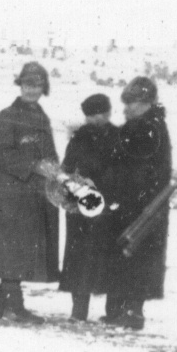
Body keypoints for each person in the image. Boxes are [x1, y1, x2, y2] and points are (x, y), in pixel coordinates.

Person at [0, 61, 62, 321]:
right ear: (20, 85)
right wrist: (33, 165)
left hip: (32, 193)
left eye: (38, 85)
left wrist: (55, 168)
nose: (32, 90)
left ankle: (1, 303)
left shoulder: (41, 117)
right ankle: (13, 306)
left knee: (19, 248)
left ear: (44, 87)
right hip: (8, 193)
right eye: (28, 84)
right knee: (12, 248)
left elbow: (49, 153)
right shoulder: (5, 116)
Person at [98, 76, 174, 331]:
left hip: (138, 205)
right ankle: (122, 309)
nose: (128, 108)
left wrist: (116, 194)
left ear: (148, 103)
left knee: (136, 256)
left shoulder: (144, 129)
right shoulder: (150, 126)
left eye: (134, 103)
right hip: (141, 204)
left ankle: (131, 312)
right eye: (127, 102)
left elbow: (130, 170)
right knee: (132, 256)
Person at [58, 94, 119, 323]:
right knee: (78, 259)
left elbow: (122, 173)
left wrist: (104, 189)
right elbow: (66, 169)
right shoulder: (78, 138)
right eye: (91, 115)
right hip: (80, 207)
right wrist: (76, 185)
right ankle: (78, 311)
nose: (95, 119)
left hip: (108, 209)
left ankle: (113, 313)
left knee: (109, 259)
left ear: (108, 113)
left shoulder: (118, 138)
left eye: (100, 113)